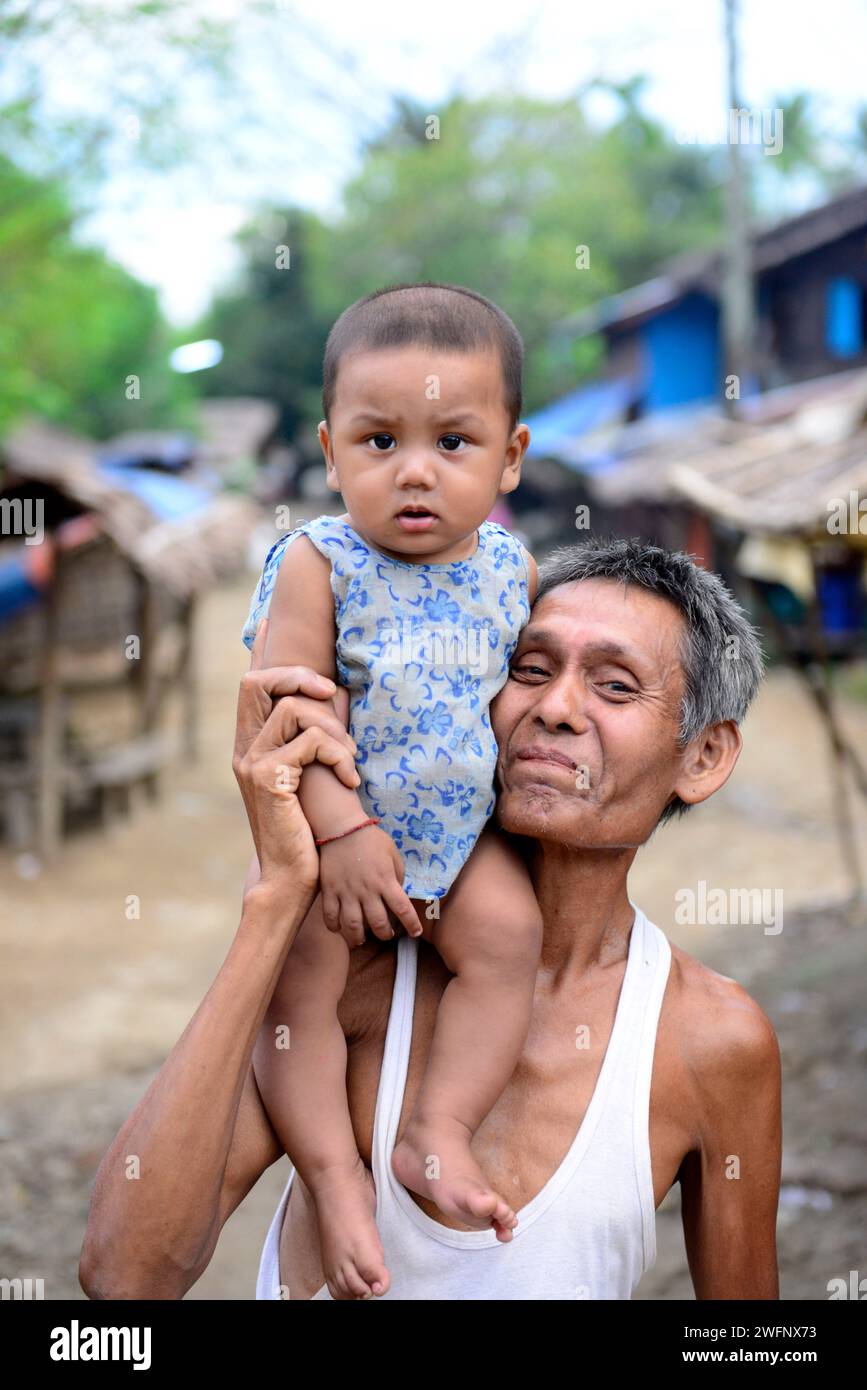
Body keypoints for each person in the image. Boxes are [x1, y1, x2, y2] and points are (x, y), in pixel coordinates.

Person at [79, 536, 782, 1302]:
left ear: (704, 757)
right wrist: (279, 897)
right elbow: (126, 1281)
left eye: (614, 687)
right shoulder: (360, 966)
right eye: (529, 669)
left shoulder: (712, 1042)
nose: (553, 708)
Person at [240, 282, 544, 1299]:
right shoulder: (319, 563)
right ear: (330, 452)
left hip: (462, 844)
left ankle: (436, 1131)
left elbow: (511, 703)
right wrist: (340, 832)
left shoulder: (512, 566)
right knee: (302, 994)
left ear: (510, 456)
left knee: (509, 940)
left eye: (453, 443)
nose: (414, 471)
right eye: (379, 442)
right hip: (339, 838)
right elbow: (287, 716)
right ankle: (333, 1176)